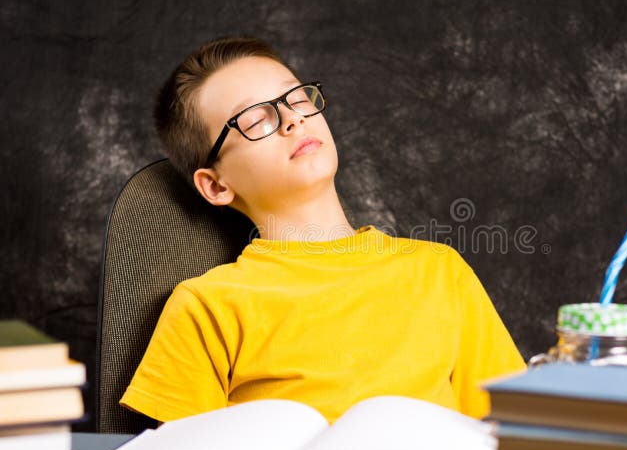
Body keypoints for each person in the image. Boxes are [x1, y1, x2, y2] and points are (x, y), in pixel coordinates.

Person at [120, 36, 525, 424]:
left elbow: (511, 431)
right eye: (255, 119)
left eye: (297, 98)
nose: (292, 119)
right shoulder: (207, 307)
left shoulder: (439, 272)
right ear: (215, 185)